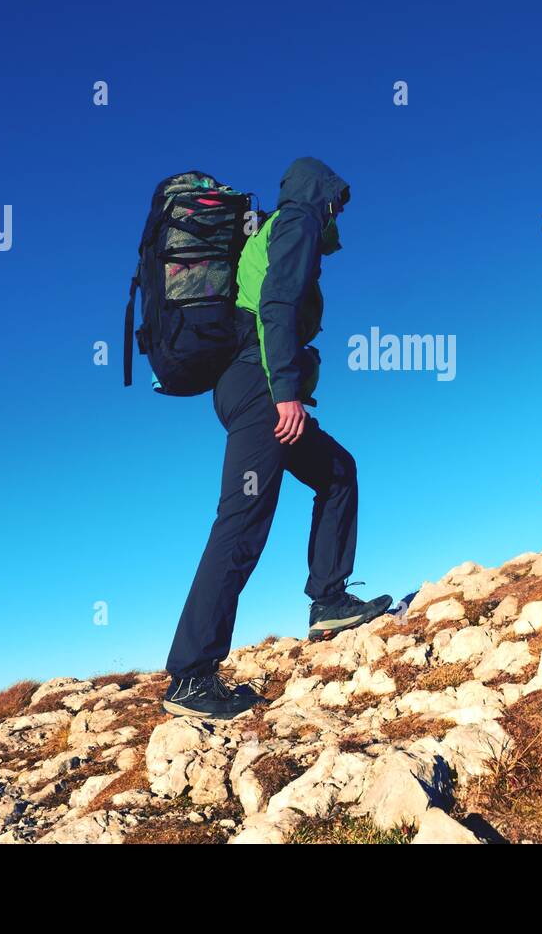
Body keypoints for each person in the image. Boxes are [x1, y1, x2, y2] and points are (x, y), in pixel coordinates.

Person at [163, 157, 393, 719]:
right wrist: (285, 390)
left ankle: (329, 602)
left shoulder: (274, 229)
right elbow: (277, 303)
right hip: (260, 387)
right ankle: (190, 677)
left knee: (337, 472)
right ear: (321, 193)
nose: (339, 210)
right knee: (242, 522)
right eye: (336, 199)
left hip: (250, 384)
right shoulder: (298, 220)